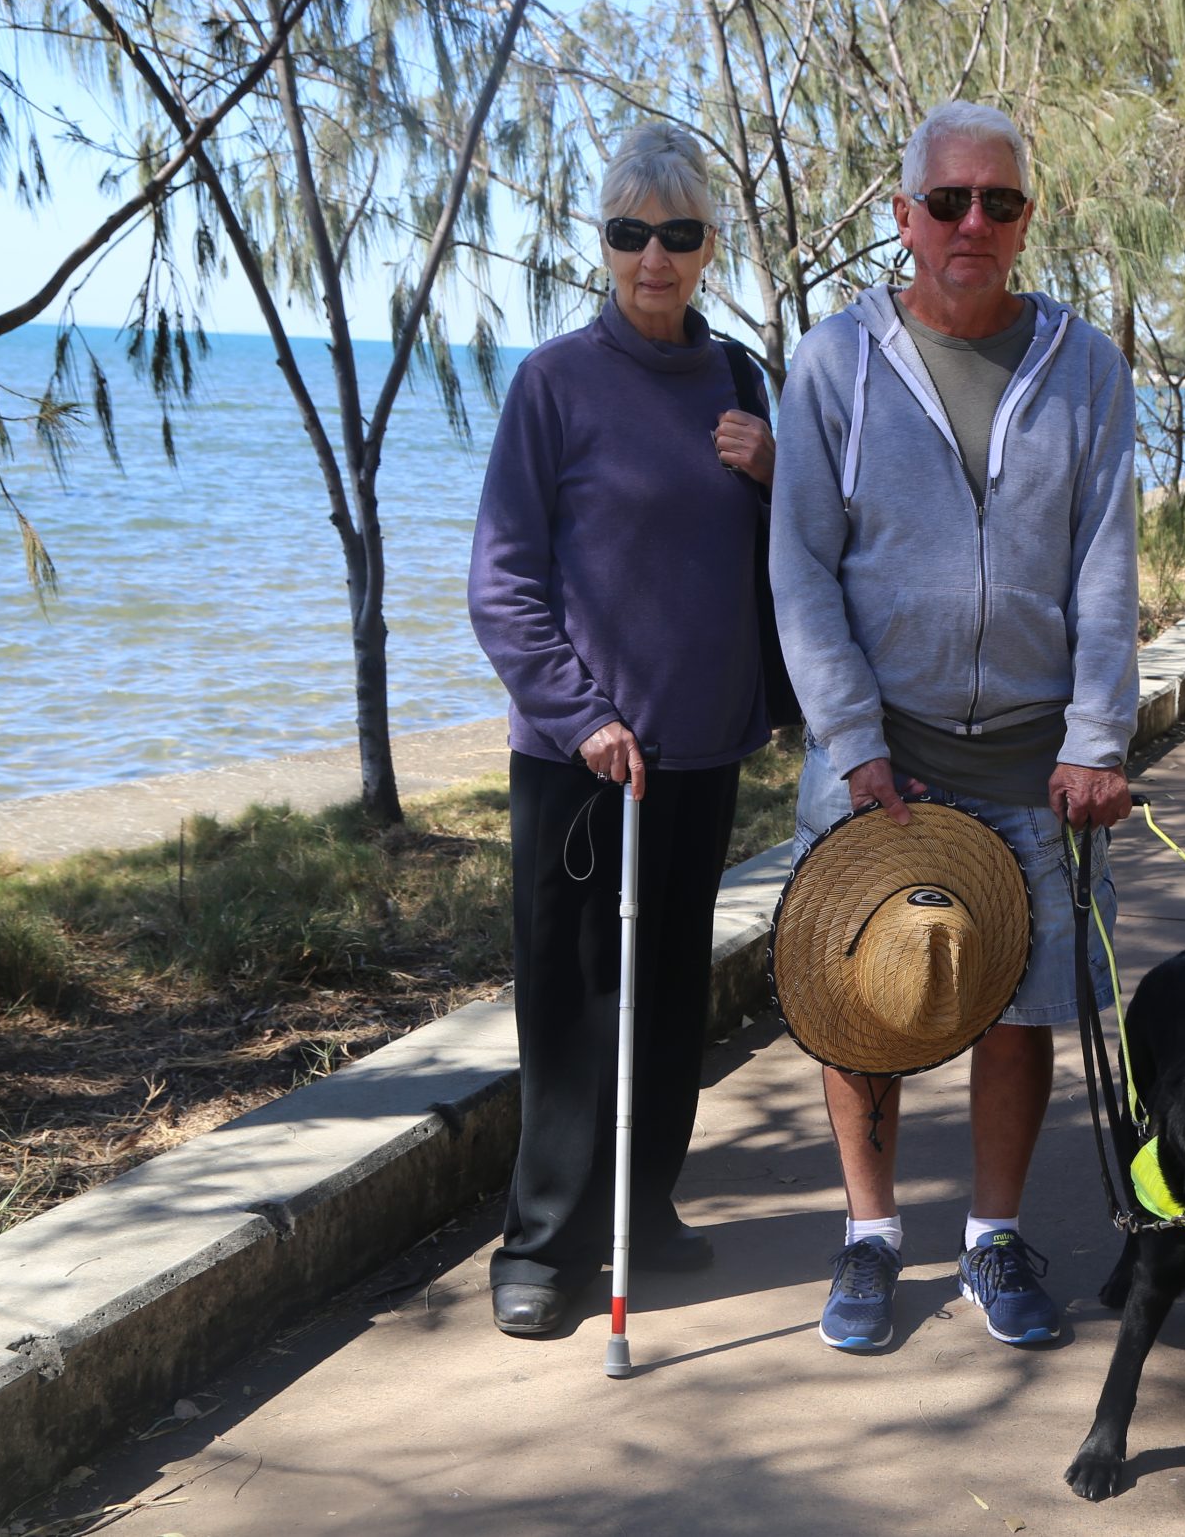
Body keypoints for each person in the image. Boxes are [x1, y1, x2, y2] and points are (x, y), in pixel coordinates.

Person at [770, 99, 1140, 1352]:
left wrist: (1098, 735)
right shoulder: (833, 364)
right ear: (903, 217)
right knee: (860, 1000)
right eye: (948, 201)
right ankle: (870, 1238)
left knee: (1024, 1000)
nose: (971, 222)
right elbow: (801, 568)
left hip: (1035, 757)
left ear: (1028, 218)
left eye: (999, 201)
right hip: (883, 756)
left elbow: (1104, 563)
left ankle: (994, 1237)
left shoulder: (1084, 366)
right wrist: (848, 735)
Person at [467, 122, 778, 1338]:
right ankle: (540, 1242)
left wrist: (776, 472)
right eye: (630, 234)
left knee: (666, 997)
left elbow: (806, 556)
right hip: (580, 759)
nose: (655, 257)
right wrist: (577, 713)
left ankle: (642, 1215)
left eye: (681, 234)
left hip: (696, 751)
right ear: (601, 244)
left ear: (710, 246)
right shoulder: (555, 381)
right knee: (567, 998)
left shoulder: (746, 382)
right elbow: (503, 579)